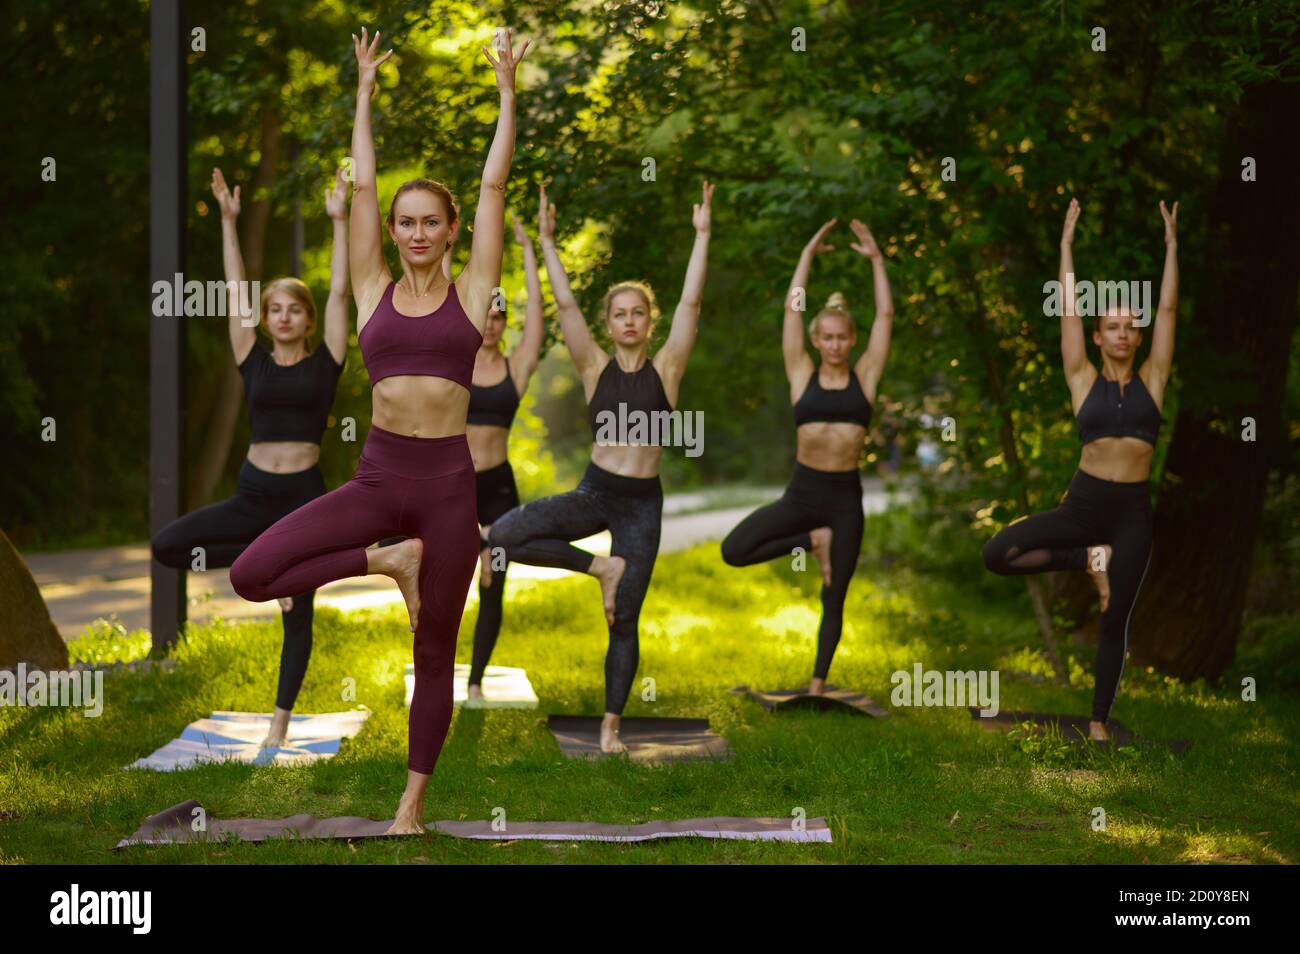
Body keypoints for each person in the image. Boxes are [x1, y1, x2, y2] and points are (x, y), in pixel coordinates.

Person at [231, 27, 528, 833]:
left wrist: (506, 94)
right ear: (392, 231)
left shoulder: (473, 294)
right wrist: (362, 90)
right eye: (406, 221)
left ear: (453, 230)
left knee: (435, 651)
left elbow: (495, 186)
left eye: (432, 221)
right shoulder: (369, 286)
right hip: (378, 479)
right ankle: (382, 560)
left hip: (446, 489)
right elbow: (361, 189)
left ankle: (411, 804)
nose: (417, 232)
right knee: (251, 575)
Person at [482, 180, 714, 752]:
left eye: (638, 313)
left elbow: (691, 304)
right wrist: (545, 241)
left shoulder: (668, 370)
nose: (628, 321)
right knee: (505, 536)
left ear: (649, 322)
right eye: (619, 314)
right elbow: (564, 306)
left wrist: (702, 236)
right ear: (608, 324)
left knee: (624, 620)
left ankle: (612, 725)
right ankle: (599, 570)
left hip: (641, 504)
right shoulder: (592, 366)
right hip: (594, 493)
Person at [152, 165, 349, 749]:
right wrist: (229, 224)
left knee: (300, 616)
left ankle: (279, 727)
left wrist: (338, 220)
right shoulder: (253, 359)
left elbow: (340, 291)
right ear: (266, 321)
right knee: (169, 546)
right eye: (275, 310)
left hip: (304, 500)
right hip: (253, 493)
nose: (283, 316)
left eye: (294, 309)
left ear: (308, 320)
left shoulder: (327, 361)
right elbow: (235, 293)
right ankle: (271, 571)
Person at [981, 197, 1179, 741]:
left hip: (1131, 514)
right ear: (1097, 337)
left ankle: (1097, 722)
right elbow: (1068, 309)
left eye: (1129, 327)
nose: (1122, 333)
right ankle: (1085, 559)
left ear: (1138, 338)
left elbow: (1168, 311)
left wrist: (1171, 246)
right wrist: (1065, 246)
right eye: (1111, 327)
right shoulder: (1081, 378)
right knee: (997, 552)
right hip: (1085, 505)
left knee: (1116, 616)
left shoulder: (1154, 379)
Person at [720, 218, 893, 693]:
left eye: (843, 338)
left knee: (835, 593)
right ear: (817, 341)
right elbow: (791, 312)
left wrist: (877, 260)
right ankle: (810, 542)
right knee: (734, 550)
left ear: (850, 341)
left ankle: (817, 684)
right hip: (802, 494)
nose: (835, 344)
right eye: (827, 338)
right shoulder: (801, 372)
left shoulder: (866, 376)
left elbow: (885, 318)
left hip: (844, 498)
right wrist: (806, 257)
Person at [463, 212, 544, 701]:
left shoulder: (517, 367)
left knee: (494, 579)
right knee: (446, 577)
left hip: (498, 489)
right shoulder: (454, 360)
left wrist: (530, 249)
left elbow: (537, 310)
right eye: (484, 315)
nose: (490, 325)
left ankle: (474, 682)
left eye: (498, 317)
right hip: (454, 486)